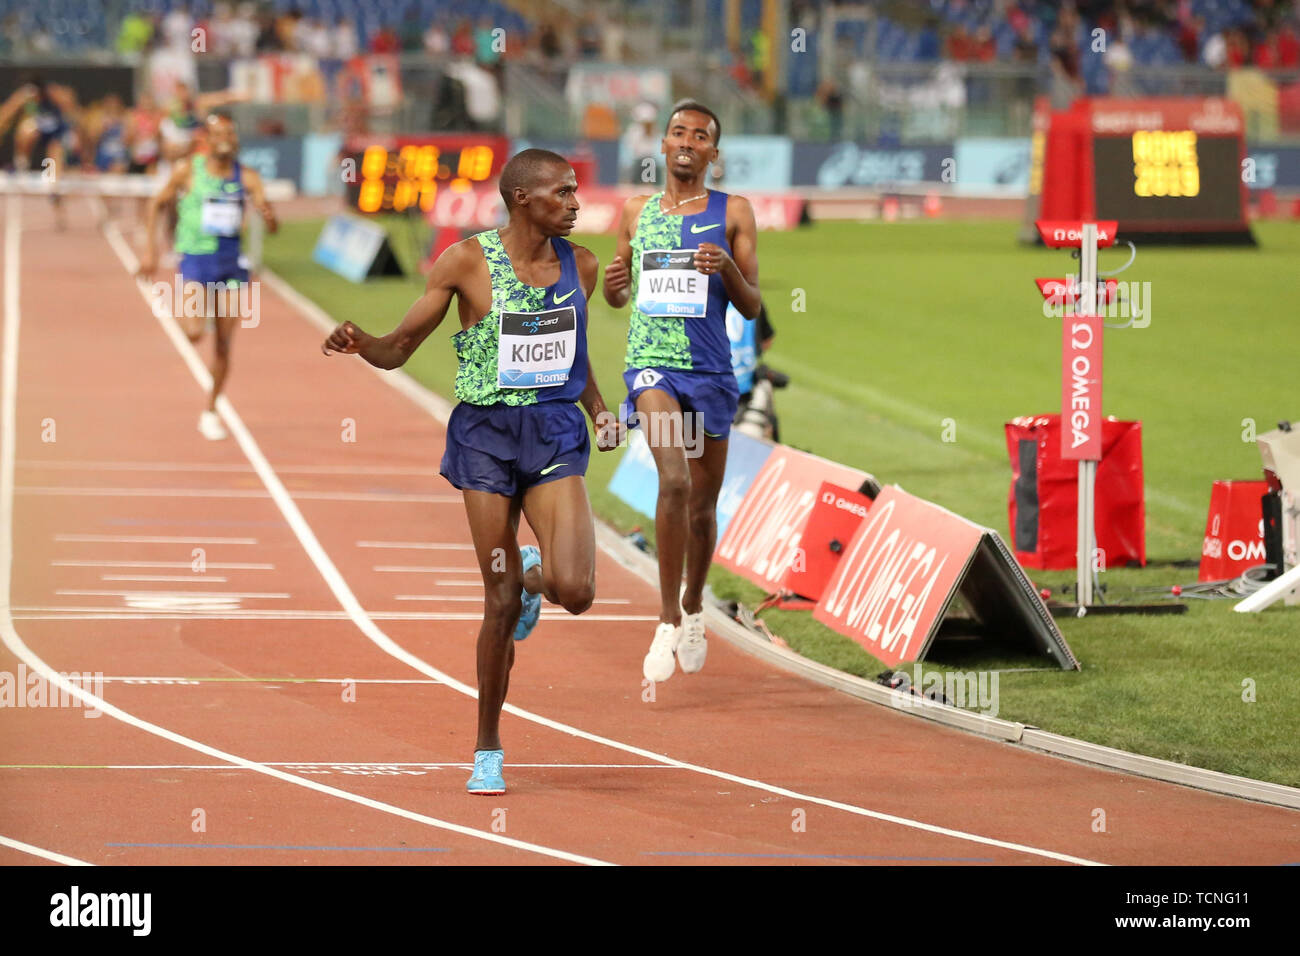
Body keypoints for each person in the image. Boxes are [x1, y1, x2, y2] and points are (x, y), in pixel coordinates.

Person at [320, 149, 622, 795]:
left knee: (578, 590)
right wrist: (360, 342)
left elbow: (576, 353)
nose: (575, 203)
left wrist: (597, 410)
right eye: (562, 193)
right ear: (522, 199)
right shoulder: (465, 261)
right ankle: (488, 746)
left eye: (575, 192)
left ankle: (537, 581)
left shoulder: (583, 266)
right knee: (497, 598)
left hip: (552, 431)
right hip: (485, 437)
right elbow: (399, 349)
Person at [602, 100, 761, 684]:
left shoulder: (733, 212)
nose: (687, 141)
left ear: (713, 153)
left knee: (701, 506)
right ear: (663, 146)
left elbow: (751, 305)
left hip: (711, 373)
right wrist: (615, 289)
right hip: (651, 370)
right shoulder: (634, 211)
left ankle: (695, 606)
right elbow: (618, 295)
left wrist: (727, 271)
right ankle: (666, 616)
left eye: (700, 135)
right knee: (673, 478)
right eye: (677, 132)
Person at [137, 113, 278, 441]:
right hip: (196, 261)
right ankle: (199, 312)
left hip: (230, 264)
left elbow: (272, 225)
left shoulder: (249, 177)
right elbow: (156, 203)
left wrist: (269, 217)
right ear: (208, 139)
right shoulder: (189, 170)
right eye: (219, 133)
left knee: (224, 346)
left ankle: (211, 410)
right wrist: (150, 252)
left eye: (231, 132)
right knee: (194, 334)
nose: (226, 138)